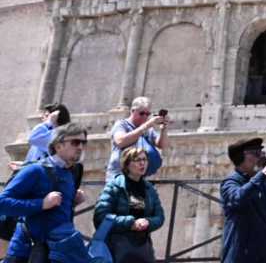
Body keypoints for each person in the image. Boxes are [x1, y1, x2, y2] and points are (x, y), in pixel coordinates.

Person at [0, 123, 88, 262]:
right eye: (75, 142)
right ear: (58, 146)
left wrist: (72, 202)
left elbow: (55, 213)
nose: (80, 147)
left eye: (83, 142)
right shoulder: (35, 170)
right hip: (26, 254)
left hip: (56, 253)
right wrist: (41, 203)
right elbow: (2, 203)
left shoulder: (70, 172)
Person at [93, 146, 165, 263]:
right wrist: (130, 223)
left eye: (145, 159)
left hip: (142, 248)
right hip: (115, 247)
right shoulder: (113, 186)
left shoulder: (149, 189)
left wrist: (147, 222)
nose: (142, 163)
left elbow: (160, 217)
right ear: (126, 164)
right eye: (137, 160)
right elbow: (100, 218)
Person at [107, 97, 170, 181]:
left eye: (147, 114)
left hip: (138, 178)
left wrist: (164, 128)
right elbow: (120, 141)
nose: (145, 117)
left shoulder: (148, 129)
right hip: (119, 176)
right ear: (133, 111)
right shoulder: (122, 124)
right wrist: (145, 126)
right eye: (142, 113)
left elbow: (162, 145)